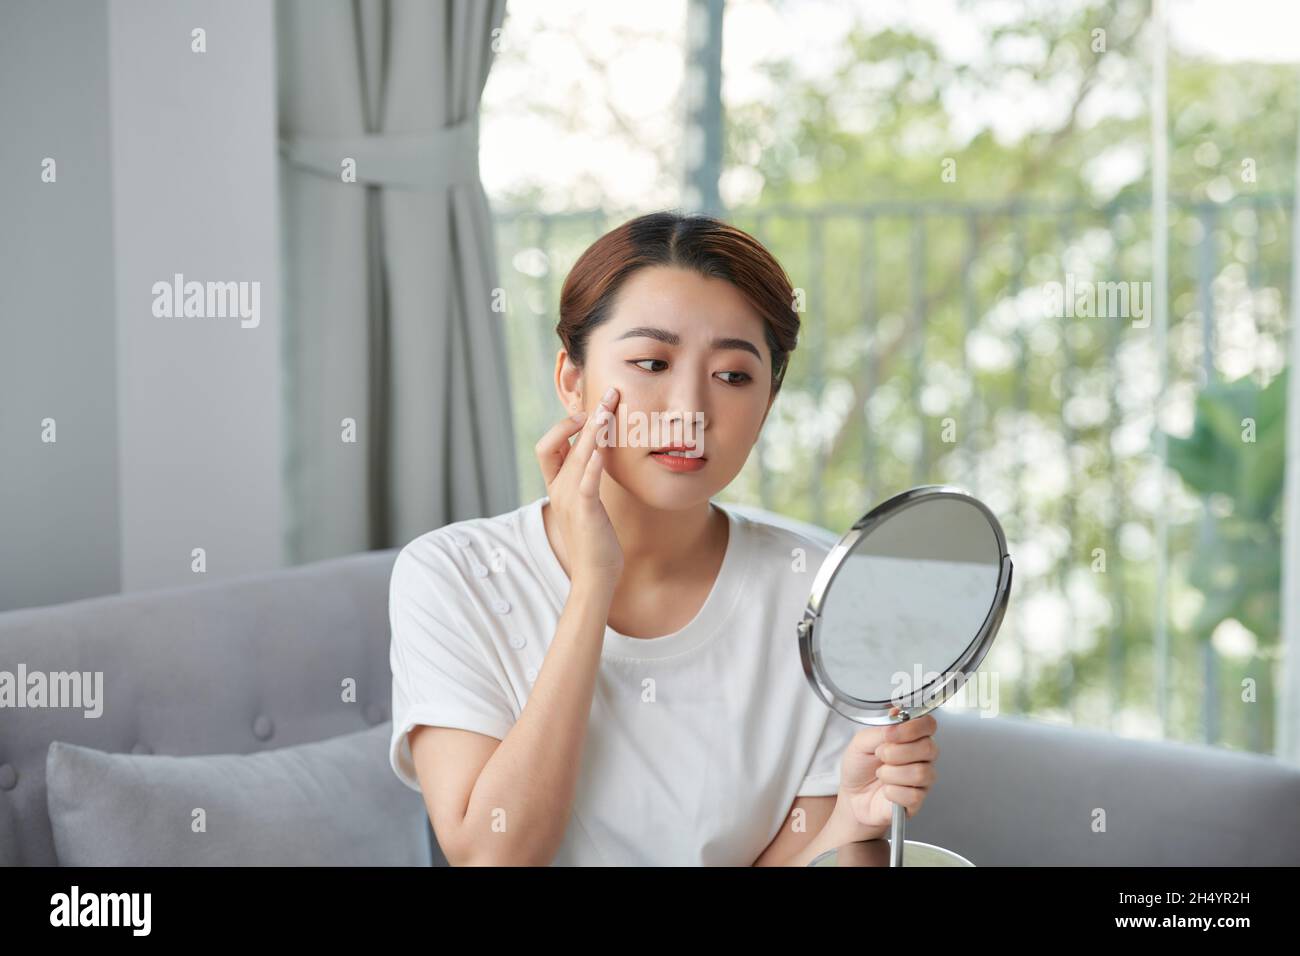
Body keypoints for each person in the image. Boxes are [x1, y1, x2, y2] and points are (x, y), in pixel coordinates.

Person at [388, 210, 938, 866]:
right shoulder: (454, 574)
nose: (690, 410)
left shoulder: (819, 592)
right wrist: (593, 586)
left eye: (733, 376)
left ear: (767, 403)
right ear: (572, 381)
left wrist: (848, 824)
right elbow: (493, 855)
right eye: (651, 361)